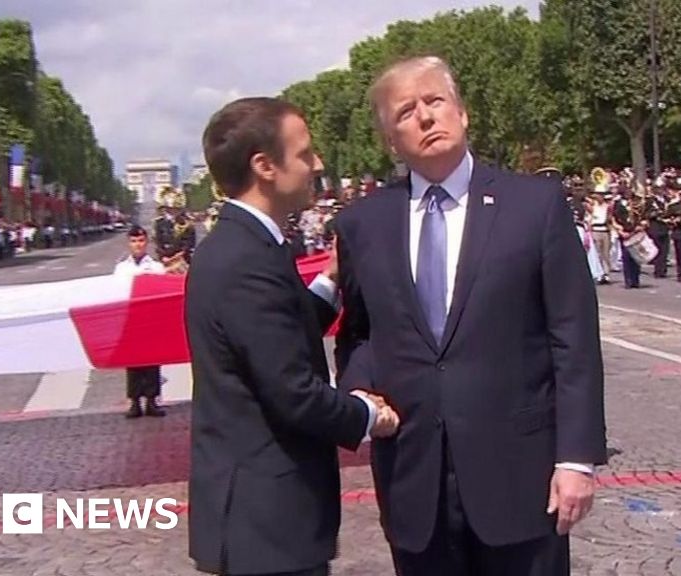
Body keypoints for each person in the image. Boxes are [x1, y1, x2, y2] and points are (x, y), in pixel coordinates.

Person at [333, 56, 607, 576]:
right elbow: (359, 333)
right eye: (406, 112)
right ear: (391, 140)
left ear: (462, 112)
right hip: (414, 478)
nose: (425, 117)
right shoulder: (361, 225)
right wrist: (361, 390)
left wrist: (576, 458)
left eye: (434, 101)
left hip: (520, 477)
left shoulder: (536, 206)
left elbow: (572, 337)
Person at [186, 97, 400, 576]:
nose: (317, 164)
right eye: (304, 153)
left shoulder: (246, 244)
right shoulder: (245, 260)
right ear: (264, 165)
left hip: (261, 521)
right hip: (266, 525)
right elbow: (293, 391)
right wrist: (370, 414)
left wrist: (330, 279)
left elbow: (283, 327)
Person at [112, 226, 167, 418]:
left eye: (141, 241)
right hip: (130, 319)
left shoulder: (156, 267)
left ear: (146, 243)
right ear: (129, 243)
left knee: (152, 360)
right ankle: (135, 402)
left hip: (150, 318)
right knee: (133, 361)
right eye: (134, 241)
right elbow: (116, 293)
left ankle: (152, 401)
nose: (138, 245)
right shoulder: (121, 268)